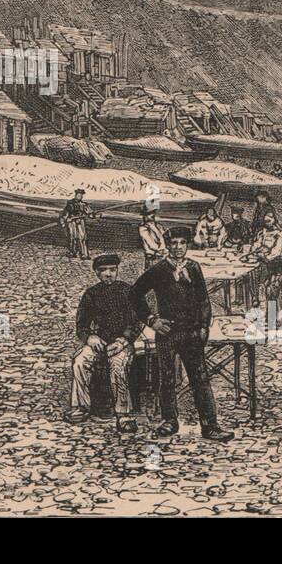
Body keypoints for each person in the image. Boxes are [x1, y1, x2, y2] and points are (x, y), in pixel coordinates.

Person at [130, 227, 232, 442]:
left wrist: (204, 326)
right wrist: (152, 320)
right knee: (166, 378)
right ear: (168, 245)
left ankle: (210, 426)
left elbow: (204, 300)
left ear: (187, 245)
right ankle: (170, 420)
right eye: (173, 243)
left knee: (200, 379)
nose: (177, 248)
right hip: (168, 333)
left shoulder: (194, 267)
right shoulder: (158, 269)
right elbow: (135, 294)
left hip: (192, 332)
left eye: (182, 243)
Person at [66, 253, 139, 432]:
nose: (108, 274)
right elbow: (81, 324)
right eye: (103, 271)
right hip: (99, 342)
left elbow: (136, 322)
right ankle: (81, 406)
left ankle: (123, 414)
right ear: (97, 273)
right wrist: (90, 337)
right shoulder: (91, 294)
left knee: (117, 365)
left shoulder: (128, 291)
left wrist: (123, 340)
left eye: (112, 270)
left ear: (117, 271)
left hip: (121, 343)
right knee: (80, 362)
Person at [250, 210, 282, 309]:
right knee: (268, 290)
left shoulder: (279, 233)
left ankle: (274, 319)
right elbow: (256, 244)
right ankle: (273, 318)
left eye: (269, 220)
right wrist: (255, 248)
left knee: (273, 290)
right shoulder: (262, 232)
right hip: (267, 267)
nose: (267, 223)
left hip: (277, 265)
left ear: (274, 220)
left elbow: (277, 251)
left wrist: (265, 256)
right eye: (266, 221)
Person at [60, 188, 97, 260]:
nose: (80, 196)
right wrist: (65, 220)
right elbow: (65, 213)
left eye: (81, 195)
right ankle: (72, 252)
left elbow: (90, 213)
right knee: (72, 237)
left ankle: (84, 254)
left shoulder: (84, 204)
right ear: (76, 195)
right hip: (72, 222)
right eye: (79, 195)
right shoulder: (70, 203)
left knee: (83, 237)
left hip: (81, 222)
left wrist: (92, 214)